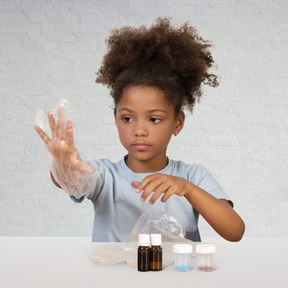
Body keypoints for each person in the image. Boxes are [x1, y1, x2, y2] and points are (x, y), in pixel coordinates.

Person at [34, 17, 245, 242]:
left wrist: (188, 189)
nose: (139, 130)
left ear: (177, 123)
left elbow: (234, 231)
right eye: (127, 118)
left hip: (178, 277)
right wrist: (63, 164)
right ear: (115, 119)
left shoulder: (192, 176)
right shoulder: (105, 176)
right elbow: (73, 180)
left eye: (154, 119)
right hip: (116, 277)